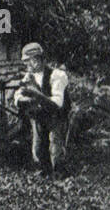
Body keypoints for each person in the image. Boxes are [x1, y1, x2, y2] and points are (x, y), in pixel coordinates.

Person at [13, 41, 70, 174]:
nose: (27, 65)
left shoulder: (57, 76)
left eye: (29, 61)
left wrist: (36, 95)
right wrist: (23, 99)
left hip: (56, 116)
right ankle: (43, 172)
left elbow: (57, 103)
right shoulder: (29, 76)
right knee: (38, 149)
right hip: (39, 115)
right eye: (26, 62)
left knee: (56, 148)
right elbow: (17, 96)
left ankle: (59, 174)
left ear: (38, 60)